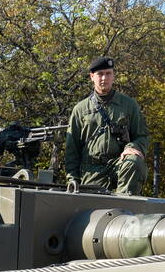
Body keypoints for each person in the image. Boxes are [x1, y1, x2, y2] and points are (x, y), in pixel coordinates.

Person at [61, 56, 149, 195]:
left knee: (134, 162)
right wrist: (73, 179)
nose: (104, 78)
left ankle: (124, 208)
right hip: (92, 170)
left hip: (119, 164)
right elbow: (72, 149)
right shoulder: (80, 109)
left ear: (113, 76)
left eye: (108, 74)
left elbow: (142, 136)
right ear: (92, 77)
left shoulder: (128, 105)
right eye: (100, 74)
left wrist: (132, 147)